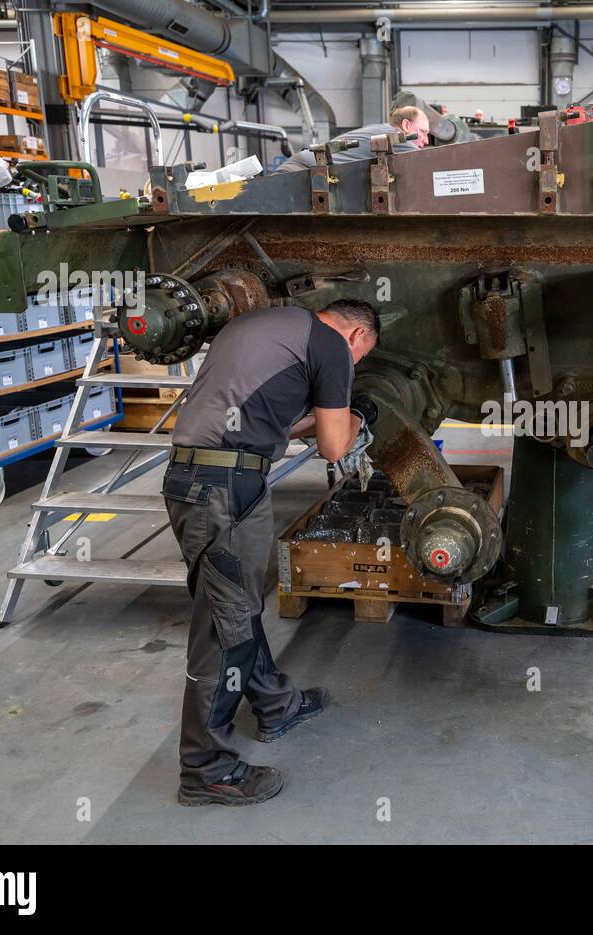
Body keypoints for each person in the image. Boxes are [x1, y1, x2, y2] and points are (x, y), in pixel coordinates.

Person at [164, 299, 381, 806]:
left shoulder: (268, 326)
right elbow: (333, 446)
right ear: (355, 336)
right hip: (225, 487)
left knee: (235, 605)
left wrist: (337, 416)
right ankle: (205, 768)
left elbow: (281, 425)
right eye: (362, 356)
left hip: (196, 477)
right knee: (225, 626)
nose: (353, 365)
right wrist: (359, 415)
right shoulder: (331, 346)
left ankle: (276, 703)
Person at [274, 105, 431, 173]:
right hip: (301, 169)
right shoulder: (395, 137)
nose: (426, 140)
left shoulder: (383, 131)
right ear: (406, 125)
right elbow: (430, 163)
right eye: (423, 132)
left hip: (304, 164)